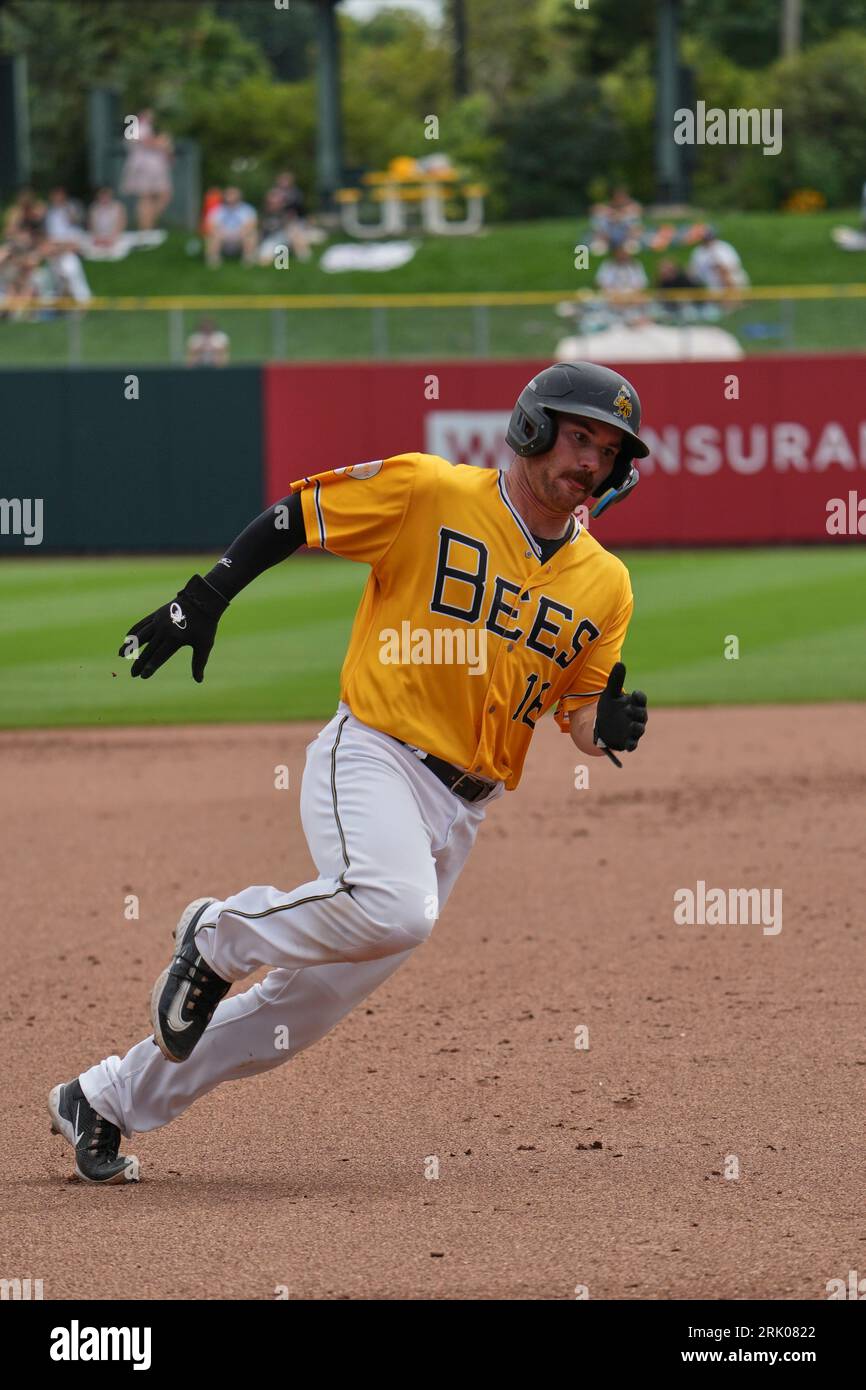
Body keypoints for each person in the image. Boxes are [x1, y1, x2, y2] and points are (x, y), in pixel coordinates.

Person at [47, 361, 650, 1184]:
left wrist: (600, 727)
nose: (590, 461)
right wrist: (208, 594)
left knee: (293, 1016)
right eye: (580, 437)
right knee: (398, 909)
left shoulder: (607, 585)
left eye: (608, 452)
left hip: (463, 810)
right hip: (374, 753)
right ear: (532, 427)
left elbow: (579, 714)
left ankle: (103, 1099)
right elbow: (300, 513)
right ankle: (218, 935)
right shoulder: (432, 492)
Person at [120, 108, 173, 231]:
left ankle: (148, 225)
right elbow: (146, 143)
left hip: (151, 167)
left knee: (156, 197)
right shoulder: (139, 126)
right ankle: (146, 227)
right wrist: (162, 142)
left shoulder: (143, 127)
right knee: (146, 198)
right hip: (145, 167)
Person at [205, 186, 258, 268]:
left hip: (240, 236)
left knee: (252, 234)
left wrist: (239, 233)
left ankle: (248, 259)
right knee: (213, 235)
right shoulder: (217, 209)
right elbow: (211, 225)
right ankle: (213, 260)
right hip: (222, 236)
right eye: (229, 195)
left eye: (233, 195)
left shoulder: (247, 209)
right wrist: (223, 233)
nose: (231, 197)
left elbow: (251, 224)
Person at [688, 227, 749, 291]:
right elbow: (693, 270)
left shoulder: (723, 248)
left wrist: (729, 282)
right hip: (713, 287)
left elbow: (731, 268)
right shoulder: (698, 251)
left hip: (734, 284)